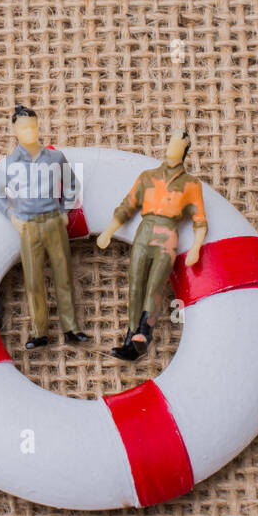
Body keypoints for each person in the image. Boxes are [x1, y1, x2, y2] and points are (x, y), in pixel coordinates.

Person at [96, 130, 206, 360]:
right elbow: (128, 205)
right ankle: (130, 338)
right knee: (135, 283)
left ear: (184, 150)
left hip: (167, 233)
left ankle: (145, 333)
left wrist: (196, 247)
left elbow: (199, 220)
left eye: (177, 144)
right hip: (145, 231)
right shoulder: (147, 176)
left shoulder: (191, 184)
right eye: (171, 142)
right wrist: (108, 231)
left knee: (155, 284)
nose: (171, 147)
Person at [0, 106, 90, 349]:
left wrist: (66, 210)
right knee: (34, 280)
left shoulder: (55, 158)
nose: (30, 131)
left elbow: (71, 184)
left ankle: (71, 328)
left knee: (63, 274)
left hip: (53, 222)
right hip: (29, 226)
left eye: (33, 126)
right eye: (24, 127)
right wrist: (11, 215)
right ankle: (40, 332)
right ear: (15, 130)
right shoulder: (9, 164)